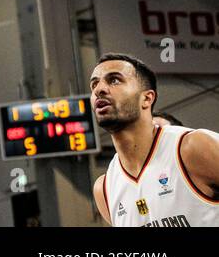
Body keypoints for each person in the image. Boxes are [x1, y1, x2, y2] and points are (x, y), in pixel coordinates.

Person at [91, 54, 219, 227]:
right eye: (94, 84)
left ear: (147, 98)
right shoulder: (104, 189)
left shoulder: (193, 147)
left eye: (114, 80)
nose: (99, 89)